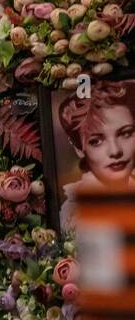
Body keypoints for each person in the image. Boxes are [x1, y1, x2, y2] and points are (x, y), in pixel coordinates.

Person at [58, 81, 135, 232]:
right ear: (78, 148)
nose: (115, 151)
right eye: (96, 141)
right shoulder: (75, 215)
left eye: (125, 133)